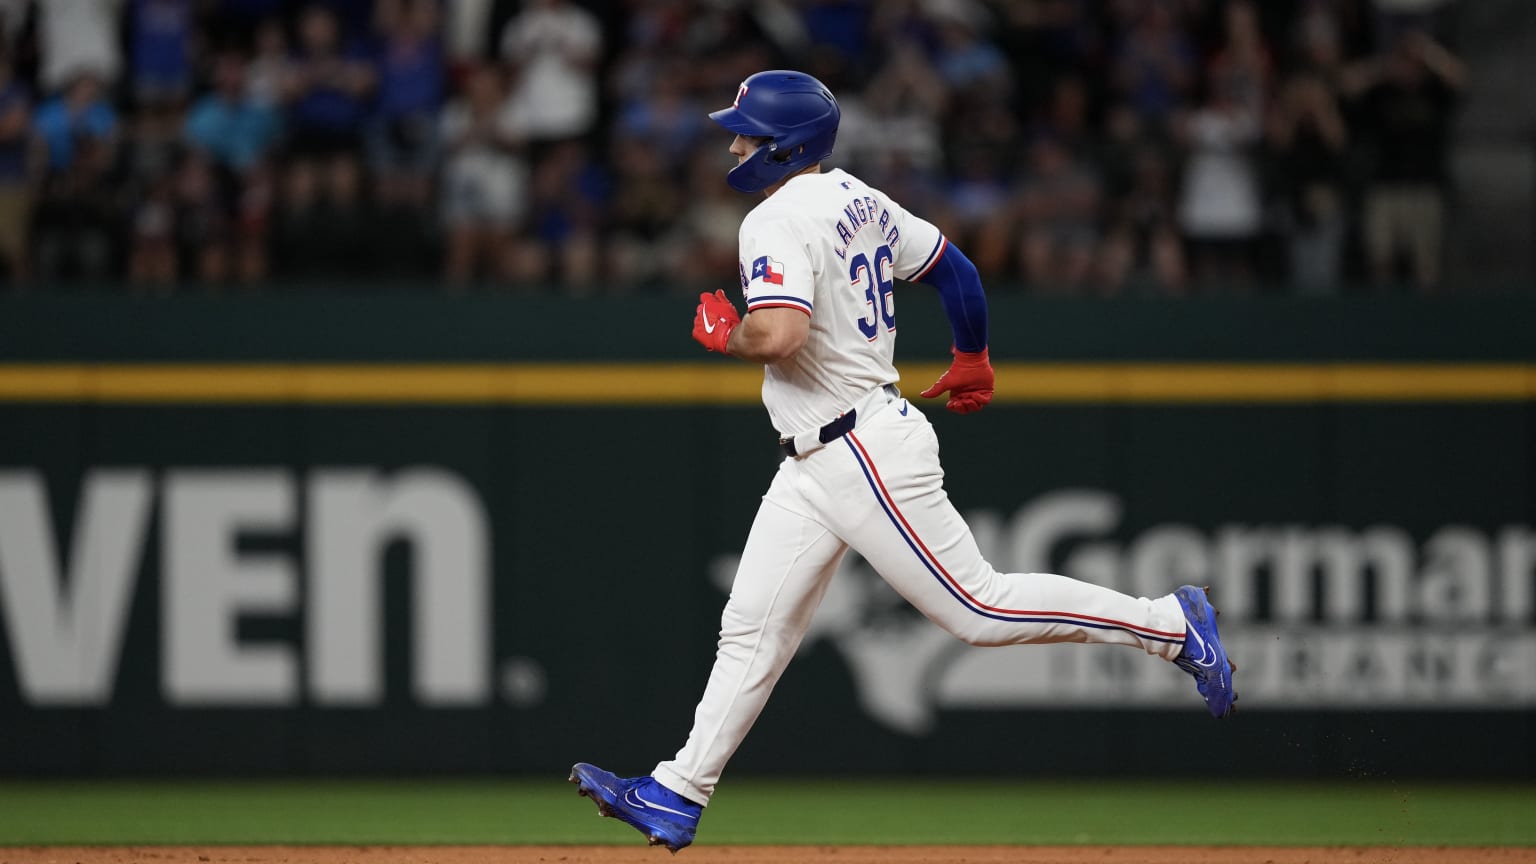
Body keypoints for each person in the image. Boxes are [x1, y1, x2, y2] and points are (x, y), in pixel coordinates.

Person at [568, 70, 1237, 853]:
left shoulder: (775, 218)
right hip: (817, 457)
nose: (735, 143)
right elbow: (957, 269)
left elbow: (778, 334)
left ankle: (1170, 626)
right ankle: (678, 792)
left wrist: (725, 334)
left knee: (978, 611)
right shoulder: (860, 196)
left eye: (747, 132)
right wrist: (973, 355)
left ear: (783, 147)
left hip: (858, 449)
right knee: (752, 628)